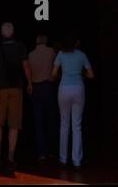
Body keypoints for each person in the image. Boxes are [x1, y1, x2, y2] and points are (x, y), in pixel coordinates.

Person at [0, 21, 31, 172]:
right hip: (16, 89)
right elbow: (25, 66)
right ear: (13, 33)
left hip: (0, 89)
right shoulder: (20, 47)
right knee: (14, 124)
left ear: (1, 33)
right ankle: (10, 158)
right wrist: (29, 83)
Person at [50, 35, 93, 169]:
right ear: (76, 43)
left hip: (64, 89)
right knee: (77, 125)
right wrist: (81, 74)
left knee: (64, 124)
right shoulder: (82, 55)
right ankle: (76, 160)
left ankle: (63, 159)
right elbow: (91, 75)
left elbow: (53, 74)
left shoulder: (61, 55)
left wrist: (55, 77)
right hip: (78, 88)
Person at [27, 33, 58, 160]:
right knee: (51, 119)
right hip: (48, 87)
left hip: (36, 88)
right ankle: (53, 150)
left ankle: (41, 153)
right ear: (46, 41)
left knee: (38, 121)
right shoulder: (51, 52)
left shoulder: (30, 55)